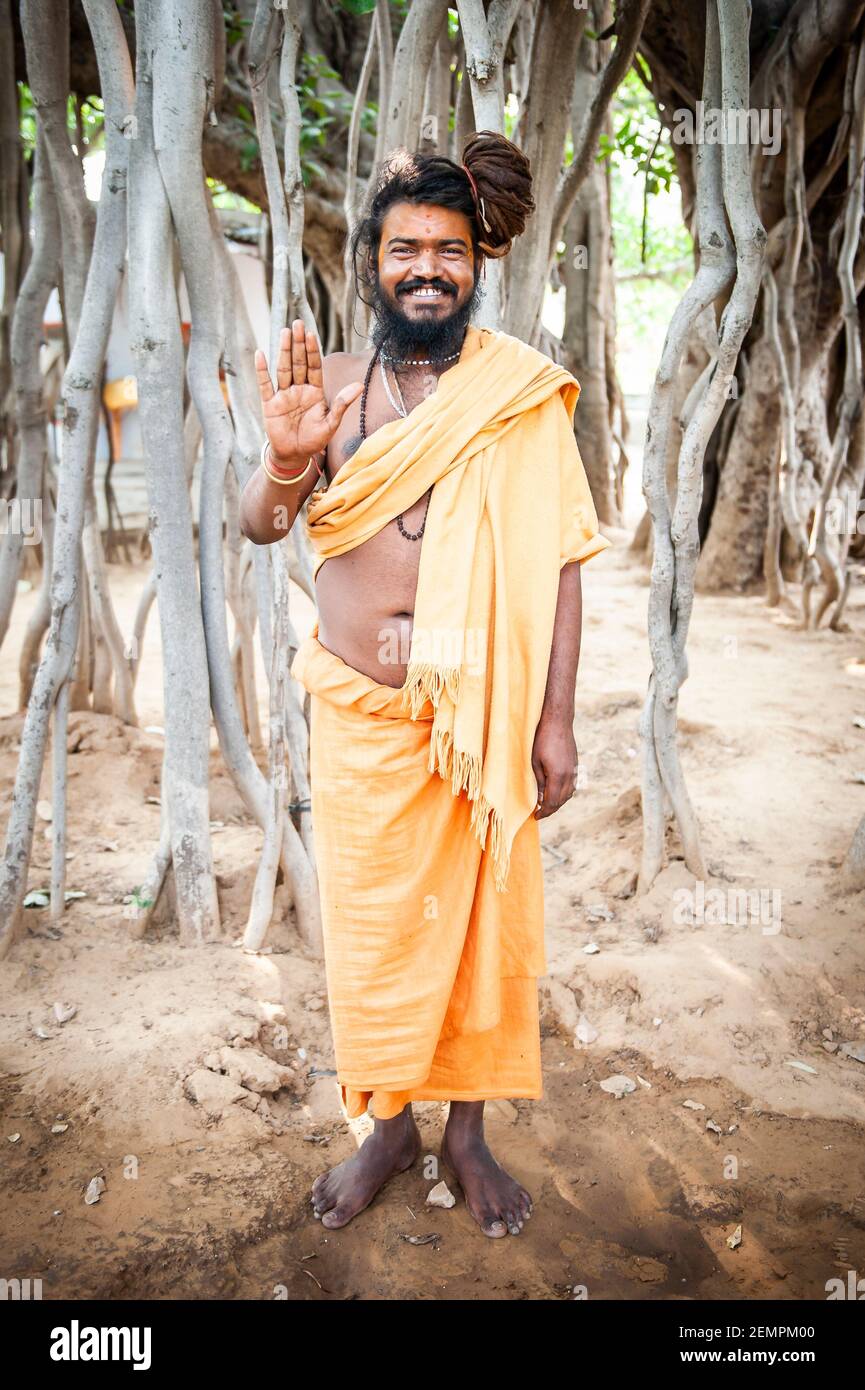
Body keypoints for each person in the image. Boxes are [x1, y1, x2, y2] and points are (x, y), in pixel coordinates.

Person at [240, 131, 611, 1239]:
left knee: (482, 929)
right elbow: (258, 528)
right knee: (375, 933)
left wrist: (554, 723)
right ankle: (389, 1125)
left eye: (448, 250)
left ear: (476, 265)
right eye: (404, 249)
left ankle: (468, 1131)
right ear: (370, 261)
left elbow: (558, 563)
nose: (426, 270)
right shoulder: (336, 392)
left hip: (481, 723)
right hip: (361, 720)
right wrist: (285, 457)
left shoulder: (520, 396)